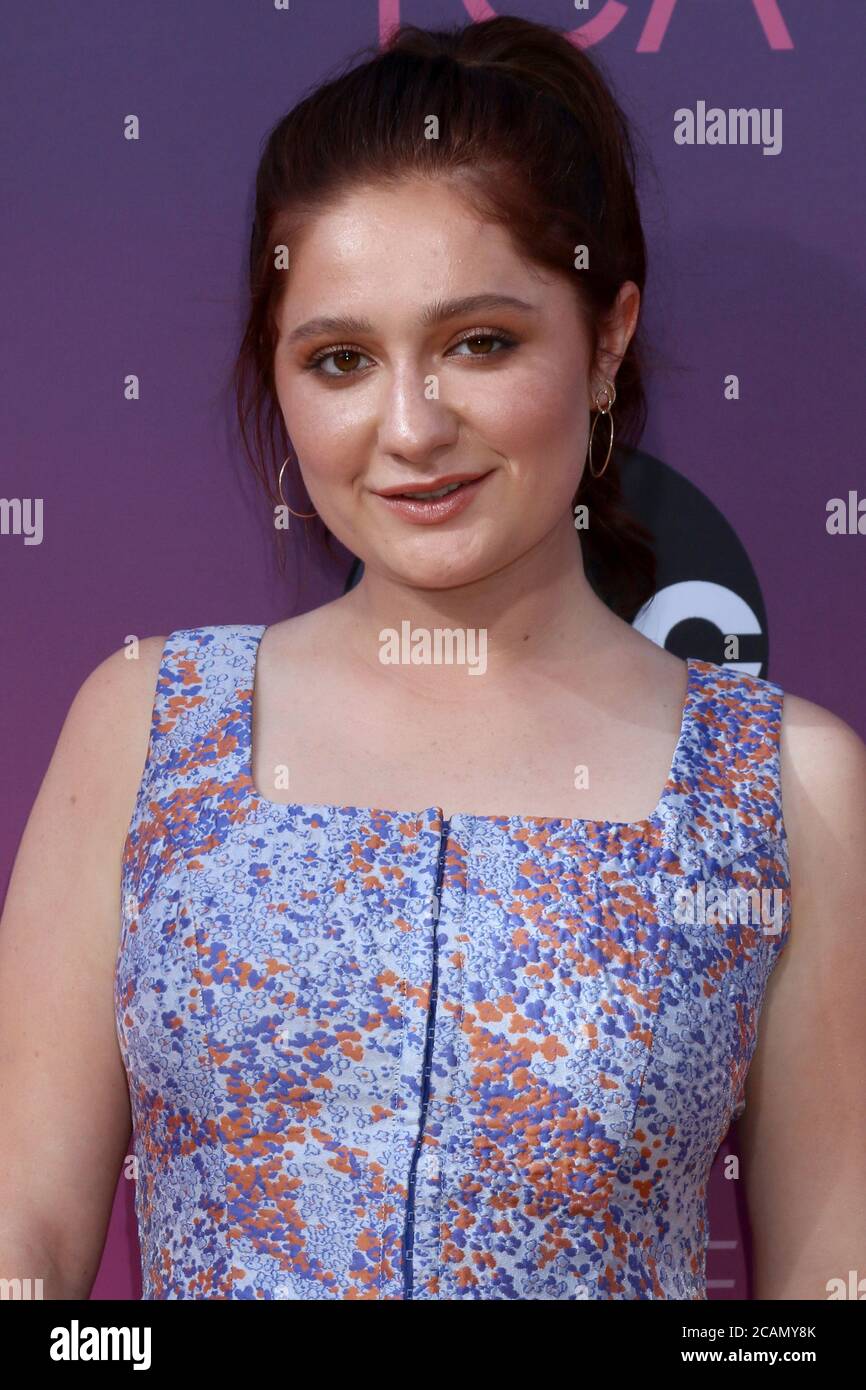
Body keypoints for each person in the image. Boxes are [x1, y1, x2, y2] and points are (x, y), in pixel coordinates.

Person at [1, 15, 864, 1302]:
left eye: (479, 342)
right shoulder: (148, 724)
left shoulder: (782, 784)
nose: (410, 427)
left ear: (606, 338)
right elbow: (27, 1241)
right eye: (340, 360)